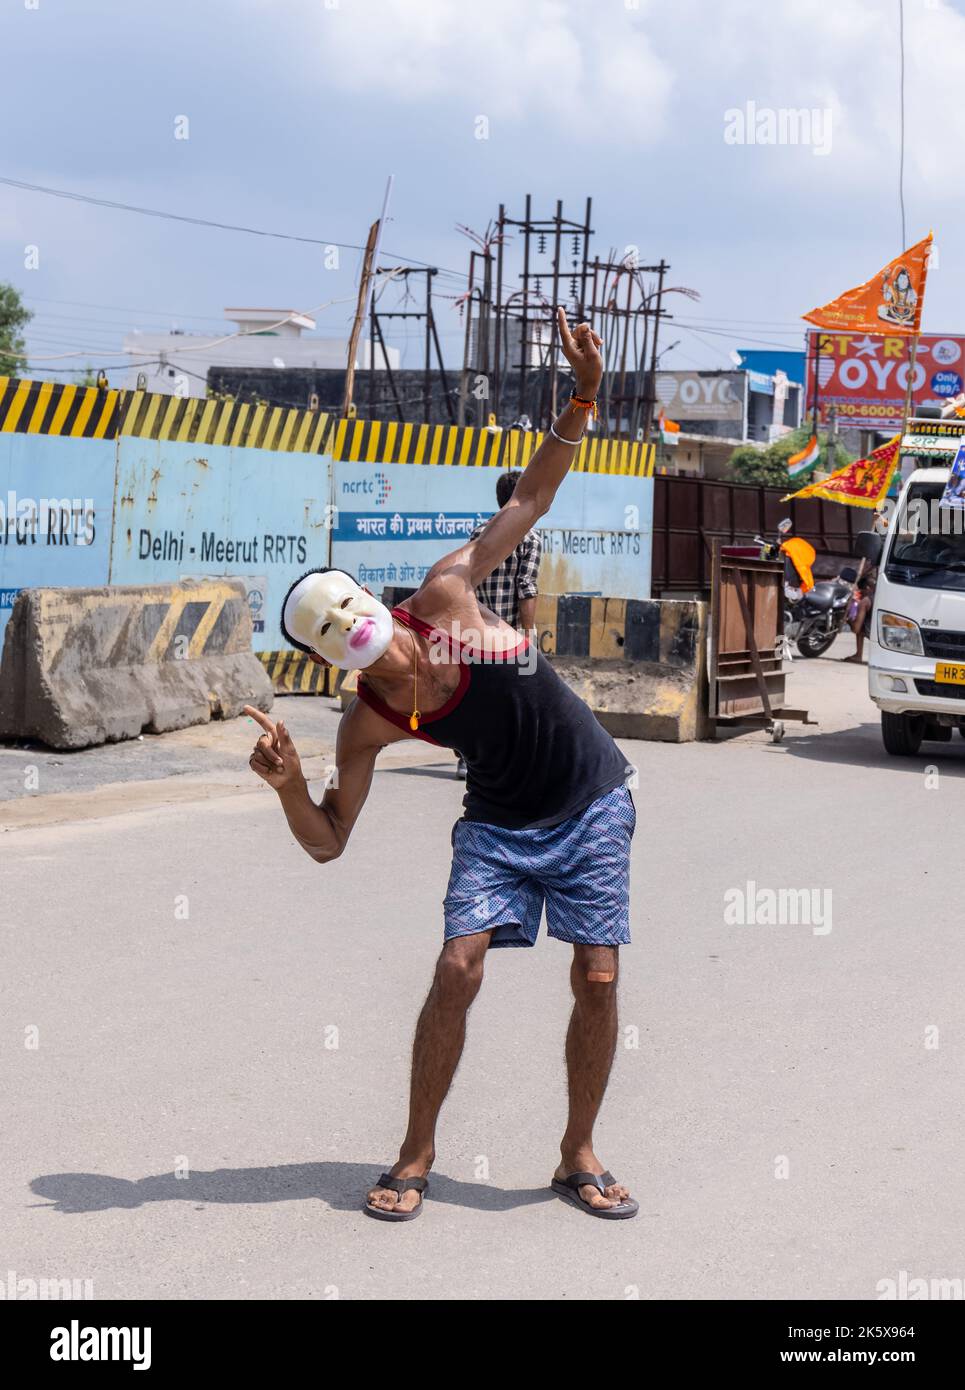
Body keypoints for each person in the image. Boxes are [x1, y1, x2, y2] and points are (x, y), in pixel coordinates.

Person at [245, 309, 638, 1223]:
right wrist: (290, 788)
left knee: (598, 975)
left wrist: (582, 394)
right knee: (457, 968)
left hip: (589, 796)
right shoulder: (368, 720)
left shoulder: (447, 591)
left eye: (356, 618)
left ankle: (576, 1151)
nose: (362, 640)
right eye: (340, 642)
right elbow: (329, 844)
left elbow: (530, 499)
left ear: (372, 604)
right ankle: (415, 1152)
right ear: (331, 658)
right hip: (498, 822)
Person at [452, 472, 542, 778]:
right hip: (506, 636)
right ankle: (505, 761)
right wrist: (528, 636)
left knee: (473, 693)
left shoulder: (480, 532)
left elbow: (464, 581)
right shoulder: (529, 538)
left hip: (473, 627)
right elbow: (526, 589)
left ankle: (467, 757)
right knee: (509, 697)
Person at [844, 561, 876, 663]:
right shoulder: (879, 596)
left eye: (861, 592)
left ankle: (859, 655)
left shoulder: (865, 601)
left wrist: (847, 619)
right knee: (862, 620)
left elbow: (856, 629)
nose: (860, 594)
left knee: (859, 623)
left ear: (867, 588)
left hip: (876, 633)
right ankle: (858, 655)